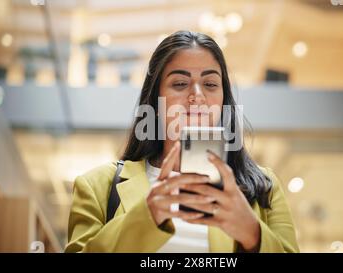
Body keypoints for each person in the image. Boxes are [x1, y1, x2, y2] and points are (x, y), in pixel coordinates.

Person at [65, 30, 299, 253]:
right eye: (179, 83)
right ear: (155, 103)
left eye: (210, 84)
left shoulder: (265, 187)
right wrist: (147, 216)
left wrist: (252, 233)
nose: (197, 95)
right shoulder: (96, 186)